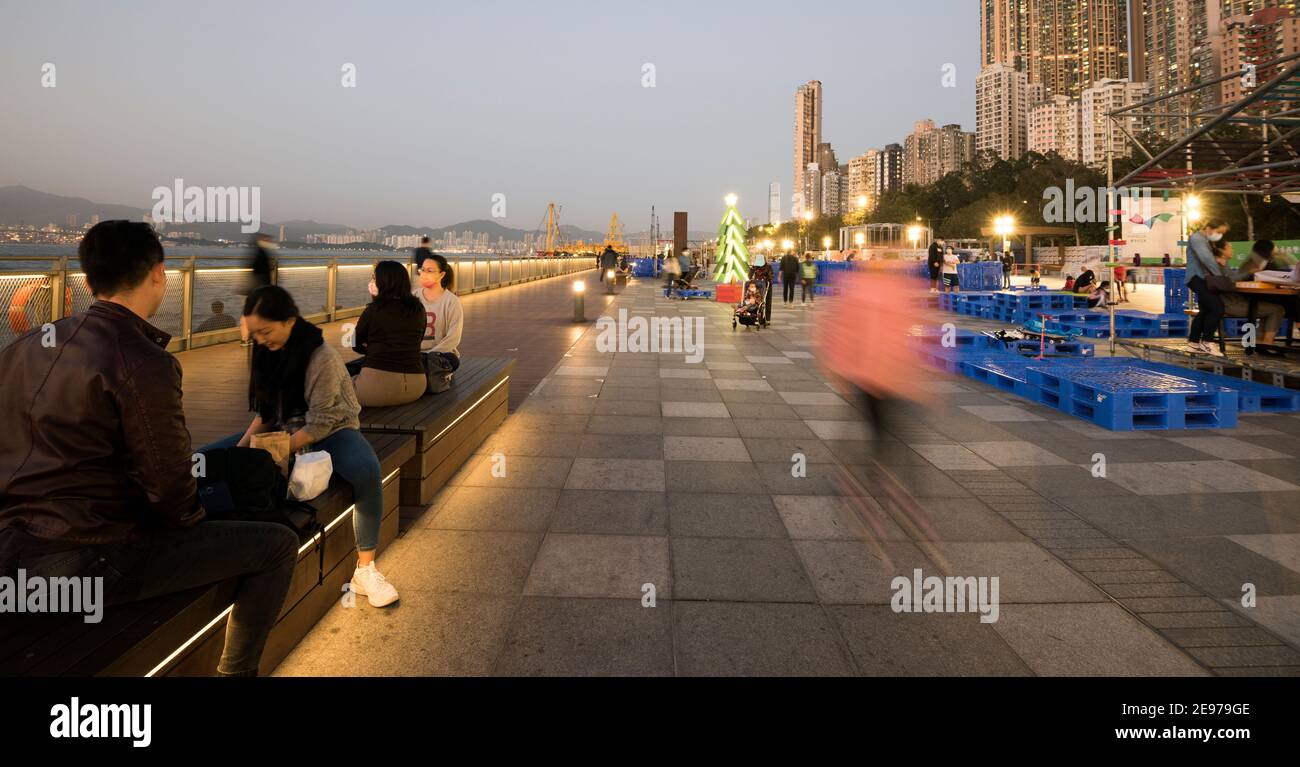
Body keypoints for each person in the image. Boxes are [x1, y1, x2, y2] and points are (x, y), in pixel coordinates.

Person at [0, 221, 297, 677]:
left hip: (13, 553)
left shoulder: (23, 347)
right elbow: (172, 493)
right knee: (276, 544)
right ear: (159, 272)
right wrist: (202, 517)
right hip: (88, 560)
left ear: (89, 277)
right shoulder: (144, 360)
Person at [202, 285, 400, 607]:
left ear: (290, 320)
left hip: (333, 429)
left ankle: (366, 569)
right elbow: (267, 413)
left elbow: (320, 423)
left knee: (366, 469)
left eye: (265, 331)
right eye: (255, 335)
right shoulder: (268, 352)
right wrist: (238, 454)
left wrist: (276, 451)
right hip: (285, 428)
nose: (261, 340)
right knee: (206, 459)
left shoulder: (321, 358)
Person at [1185, 221, 1286, 355]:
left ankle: (1193, 343)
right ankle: (1207, 342)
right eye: (1220, 232)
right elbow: (1224, 275)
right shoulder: (1199, 241)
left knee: (1205, 311)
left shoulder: (1221, 260)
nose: (1232, 249)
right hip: (1220, 294)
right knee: (1216, 308)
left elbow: (1230, 277)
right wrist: (1224, 272)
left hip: (1210, 285)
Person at [350, 261, 427, 407]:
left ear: (383, 282)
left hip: (376, 389)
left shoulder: (373, 310)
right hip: (416, 387)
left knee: (333, 389)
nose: (372, 281)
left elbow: (354, 344)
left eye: (374, 278)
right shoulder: (418, 309)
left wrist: (373, 350)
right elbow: (418, 340)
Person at [414, 251, 464, 373]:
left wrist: (428, 355)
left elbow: (453, 338)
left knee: (451, 360)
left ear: (441, 275)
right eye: (423, 270)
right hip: (415, 355)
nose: (424, 274)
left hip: (439, 356)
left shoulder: (451, 301)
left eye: (430, 271)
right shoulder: (413, 297)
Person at [241, 234, 276, 346]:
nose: (270, 241)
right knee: (253, 313)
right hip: (259, 289)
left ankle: (247, 338)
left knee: (250, 313)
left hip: (255, 289)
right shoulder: (262, 253)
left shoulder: (255, 251)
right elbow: (262, 271)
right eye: (267, 239)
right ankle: (249, 337)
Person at [750, 251, 775, 323]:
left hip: (766, 286)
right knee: (757, 301)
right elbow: (750, 275)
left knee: (767, 302)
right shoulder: (755, 267)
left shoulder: (768, 267)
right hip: (757, 286)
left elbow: (771, 276)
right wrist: (752, 270)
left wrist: (767, 280)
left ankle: (767, 319)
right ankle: (757, 316)